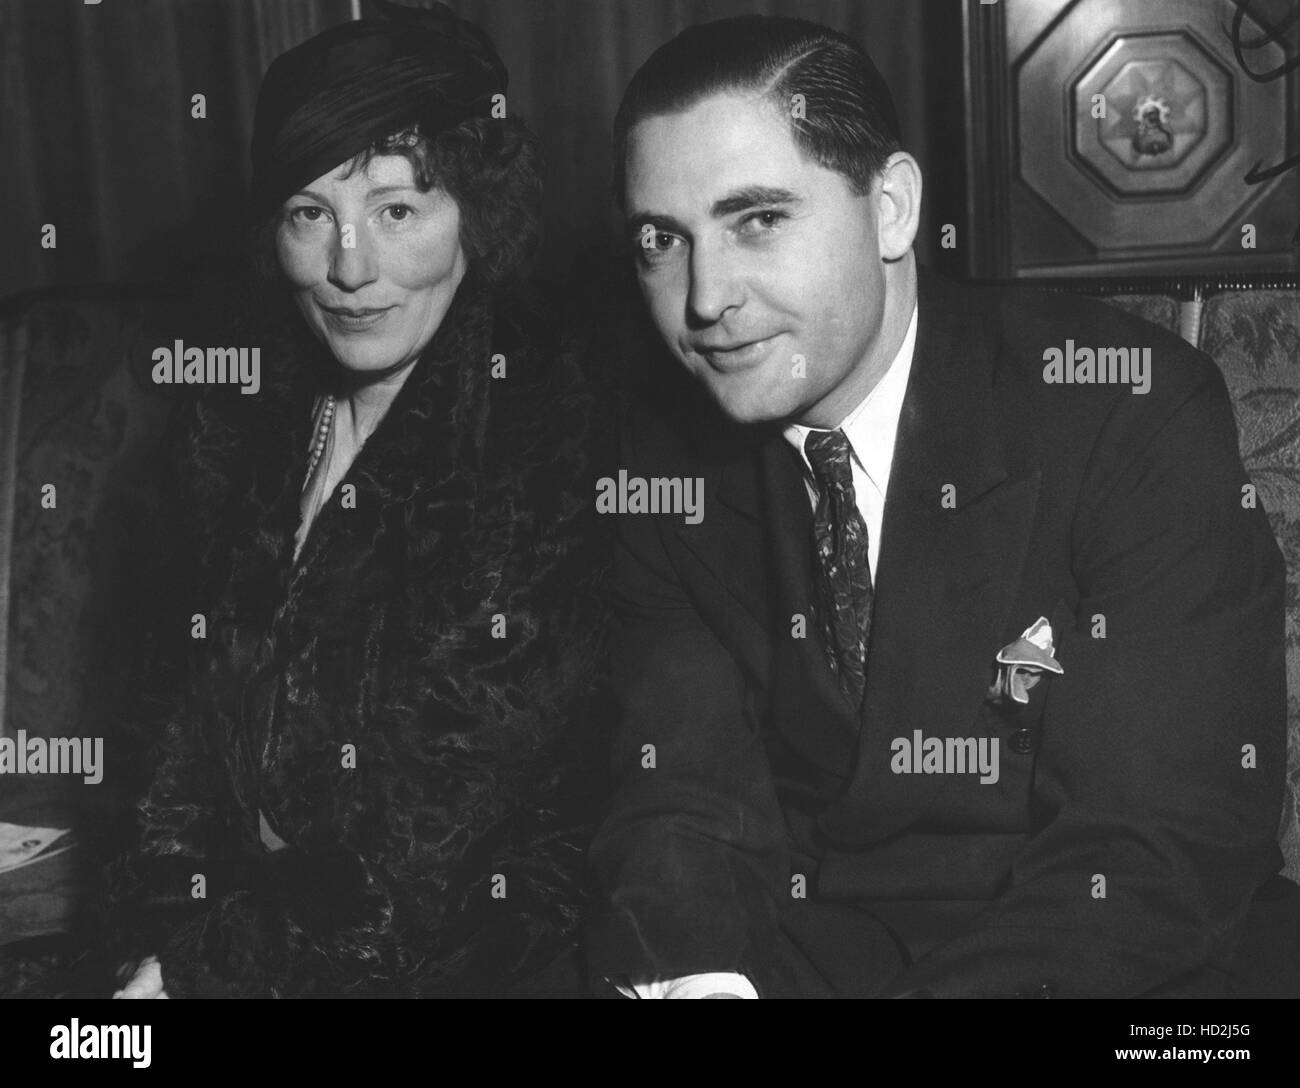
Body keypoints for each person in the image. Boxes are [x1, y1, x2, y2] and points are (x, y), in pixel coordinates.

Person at [585, 14, 1299, 998]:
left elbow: (1154, 844)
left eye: (757, 219)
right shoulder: (662, 460)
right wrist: (702, 978)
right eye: (663, 239)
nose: (704, 297)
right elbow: (682, 790)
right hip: (816, 952)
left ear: (891, 208)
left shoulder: (1125, 404)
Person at [108, 0, 603, 998]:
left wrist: (193, 974)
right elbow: (168, 749)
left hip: (464, 956)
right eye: (309, 213)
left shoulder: (543, 423)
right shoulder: (234, 417)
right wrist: (156, 940)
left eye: (396, 210)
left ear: (479, 212)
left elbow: (431, 829)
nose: (346, 267)